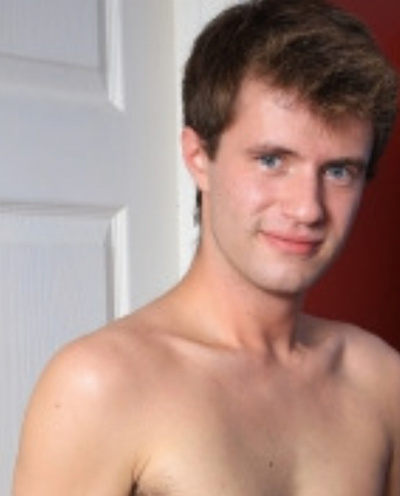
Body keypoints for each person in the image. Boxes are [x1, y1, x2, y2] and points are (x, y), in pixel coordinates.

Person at [13, 0, 400, 495]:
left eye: (339, 171)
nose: (308, 207)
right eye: (272, 160)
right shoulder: (101, 386)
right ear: (198, 157)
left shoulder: (379, 380)